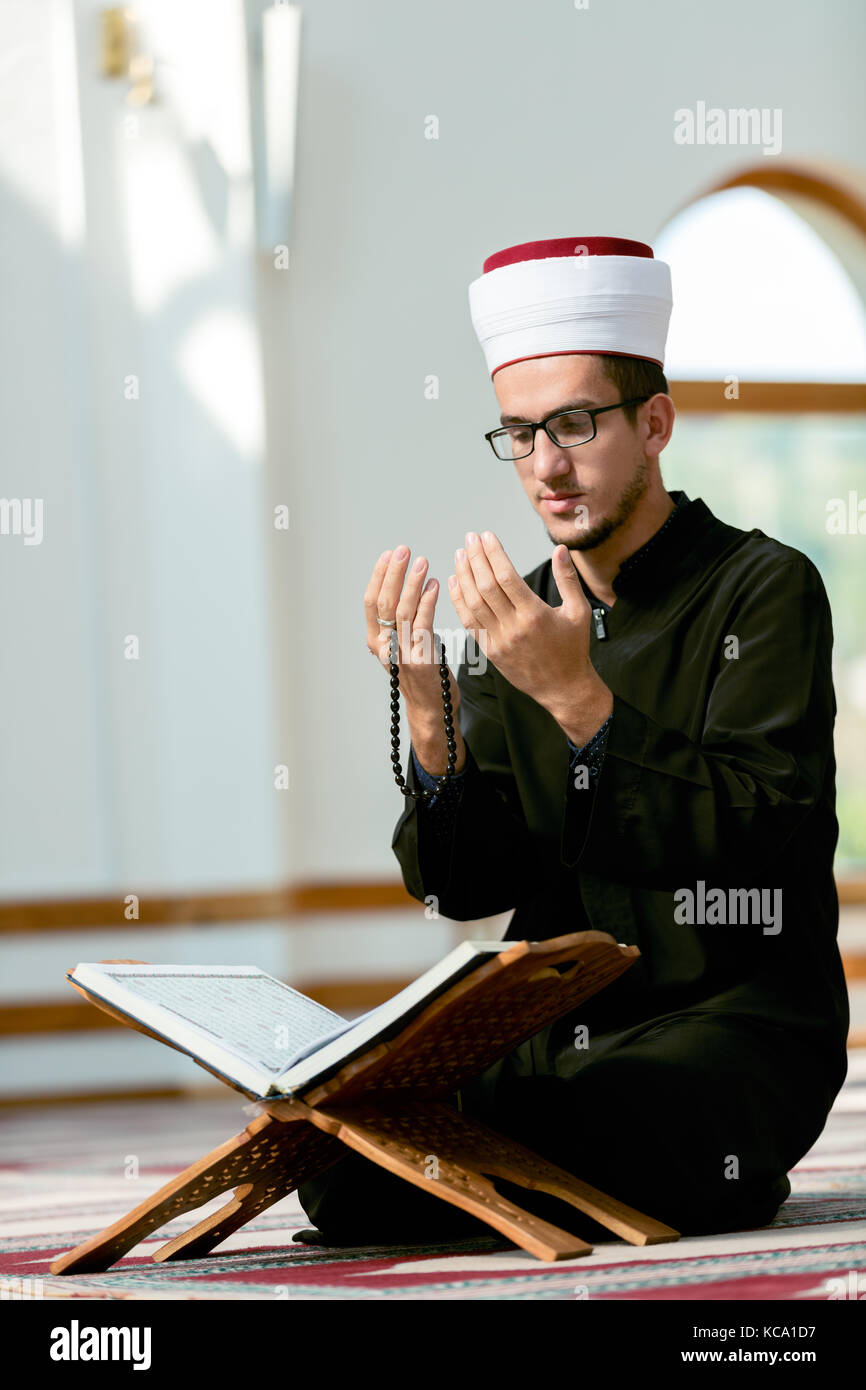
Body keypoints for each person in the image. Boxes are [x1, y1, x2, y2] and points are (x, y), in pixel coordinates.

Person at [296, 237, 849, 1248]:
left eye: (573, 425)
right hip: (550, 1038)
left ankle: (591, 1171)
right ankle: (529, 1173)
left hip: (730, 1023)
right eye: (518, 434)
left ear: (654, 424)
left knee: (630, 1124)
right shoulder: (515, 613)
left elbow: (760, 831)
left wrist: (578, 699)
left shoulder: (763, 588)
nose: (545, 466)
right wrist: (428, 710)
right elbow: (463, 887)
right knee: (337, 1155)